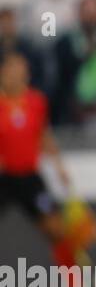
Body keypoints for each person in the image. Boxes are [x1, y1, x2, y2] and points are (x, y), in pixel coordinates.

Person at [0, 51, 70, 248]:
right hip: (4, 178)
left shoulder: (36, 102)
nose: (16, 75)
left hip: (30, 178)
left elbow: (44, 136)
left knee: (56, 227)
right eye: (11, 70)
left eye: (21, 70)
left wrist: (59, 167)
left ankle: (71, 276)